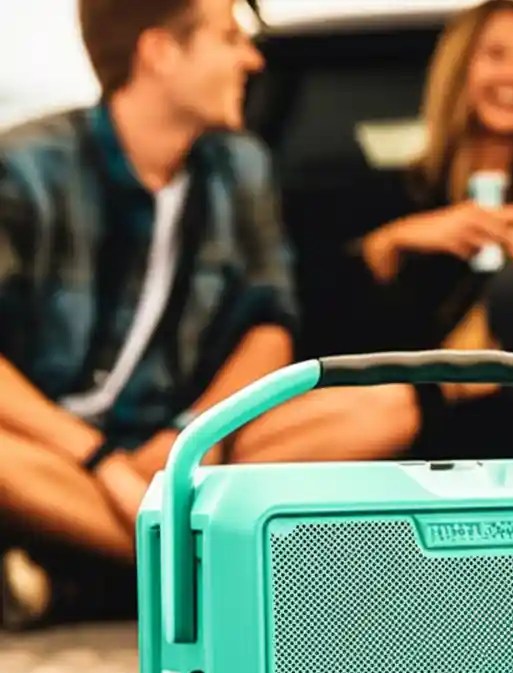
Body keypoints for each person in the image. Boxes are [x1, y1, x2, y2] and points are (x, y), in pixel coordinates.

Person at [0, 0, 419, 628]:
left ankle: (89, 574)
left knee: (387, 407)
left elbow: (270, 327)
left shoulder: (242, 165)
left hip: (191, 444)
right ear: (159, 53)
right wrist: (99, 458)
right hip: (61, 451)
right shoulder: (25, 167)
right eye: (229, 38)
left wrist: (192, 436)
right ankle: (188, 567)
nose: (251, 59)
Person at [358, 0, 513, 459]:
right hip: (418, 447)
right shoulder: (401, 196)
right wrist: (404, 237)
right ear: (461, 71)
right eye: (495, 55)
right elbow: (338, 323)